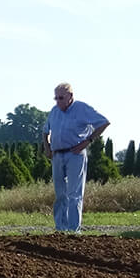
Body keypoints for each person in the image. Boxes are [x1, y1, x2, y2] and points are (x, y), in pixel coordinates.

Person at [42, 82, 110, 233]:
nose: (58, 101)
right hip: (57, 154)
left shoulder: (82, 109)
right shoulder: (54, 111)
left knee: (74, 193)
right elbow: (45, 131)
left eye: (61, 98)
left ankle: (74, 230)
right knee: (60, 194)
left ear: (70, 96)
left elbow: (104, 122)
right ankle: (60, 229)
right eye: (56, 98)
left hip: (75, 154)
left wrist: (87, 141)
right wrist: (47, 148)